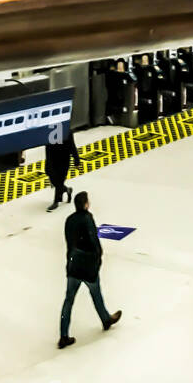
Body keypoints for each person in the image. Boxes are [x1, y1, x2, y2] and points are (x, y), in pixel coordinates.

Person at [58, 191, 121, 348]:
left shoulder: (69, 220)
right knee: (96, 293)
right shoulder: (87, 218)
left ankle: (63, 335)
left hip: (73, 265)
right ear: (86, 204)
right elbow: (94, 241)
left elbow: (69, 241)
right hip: (87, 266)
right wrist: (98, 259)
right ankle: (106, 319)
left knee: (69, 300)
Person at [44, 126, 80, 211]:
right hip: (52, 158)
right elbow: (47, 146)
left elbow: (72, 145)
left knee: (59, 181)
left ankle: (56, 201)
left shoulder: (66, 130)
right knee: (53, 179)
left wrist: (76, 160)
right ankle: (67, 190)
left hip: (64, 159)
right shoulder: (50, 128)